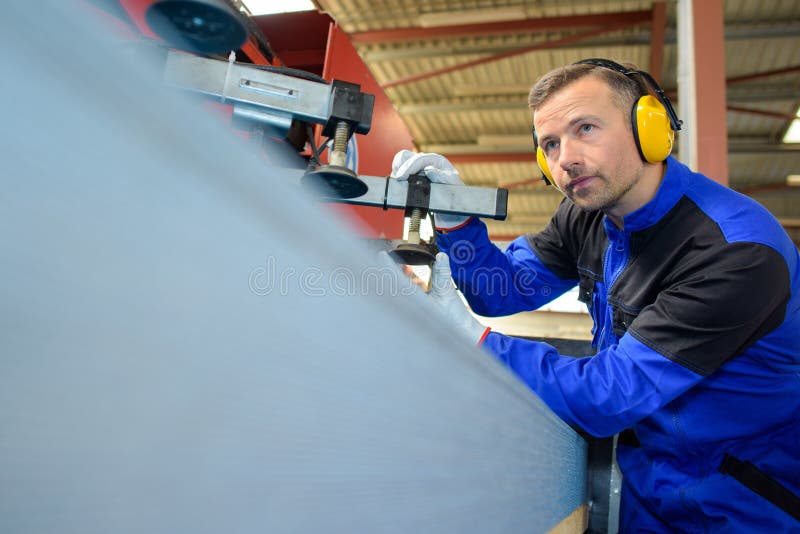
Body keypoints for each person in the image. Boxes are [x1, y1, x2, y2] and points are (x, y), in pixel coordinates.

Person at [391, 59, 800, 531]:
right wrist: (455, 220)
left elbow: (611, 394)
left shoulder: (735, 250)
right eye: (550, 144)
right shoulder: (587, 218)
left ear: (649, 129)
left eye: (585, 128)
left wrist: (476, 342)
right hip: (647, 490)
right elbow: (502, 291)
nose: (565, 158)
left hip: (748, 499)